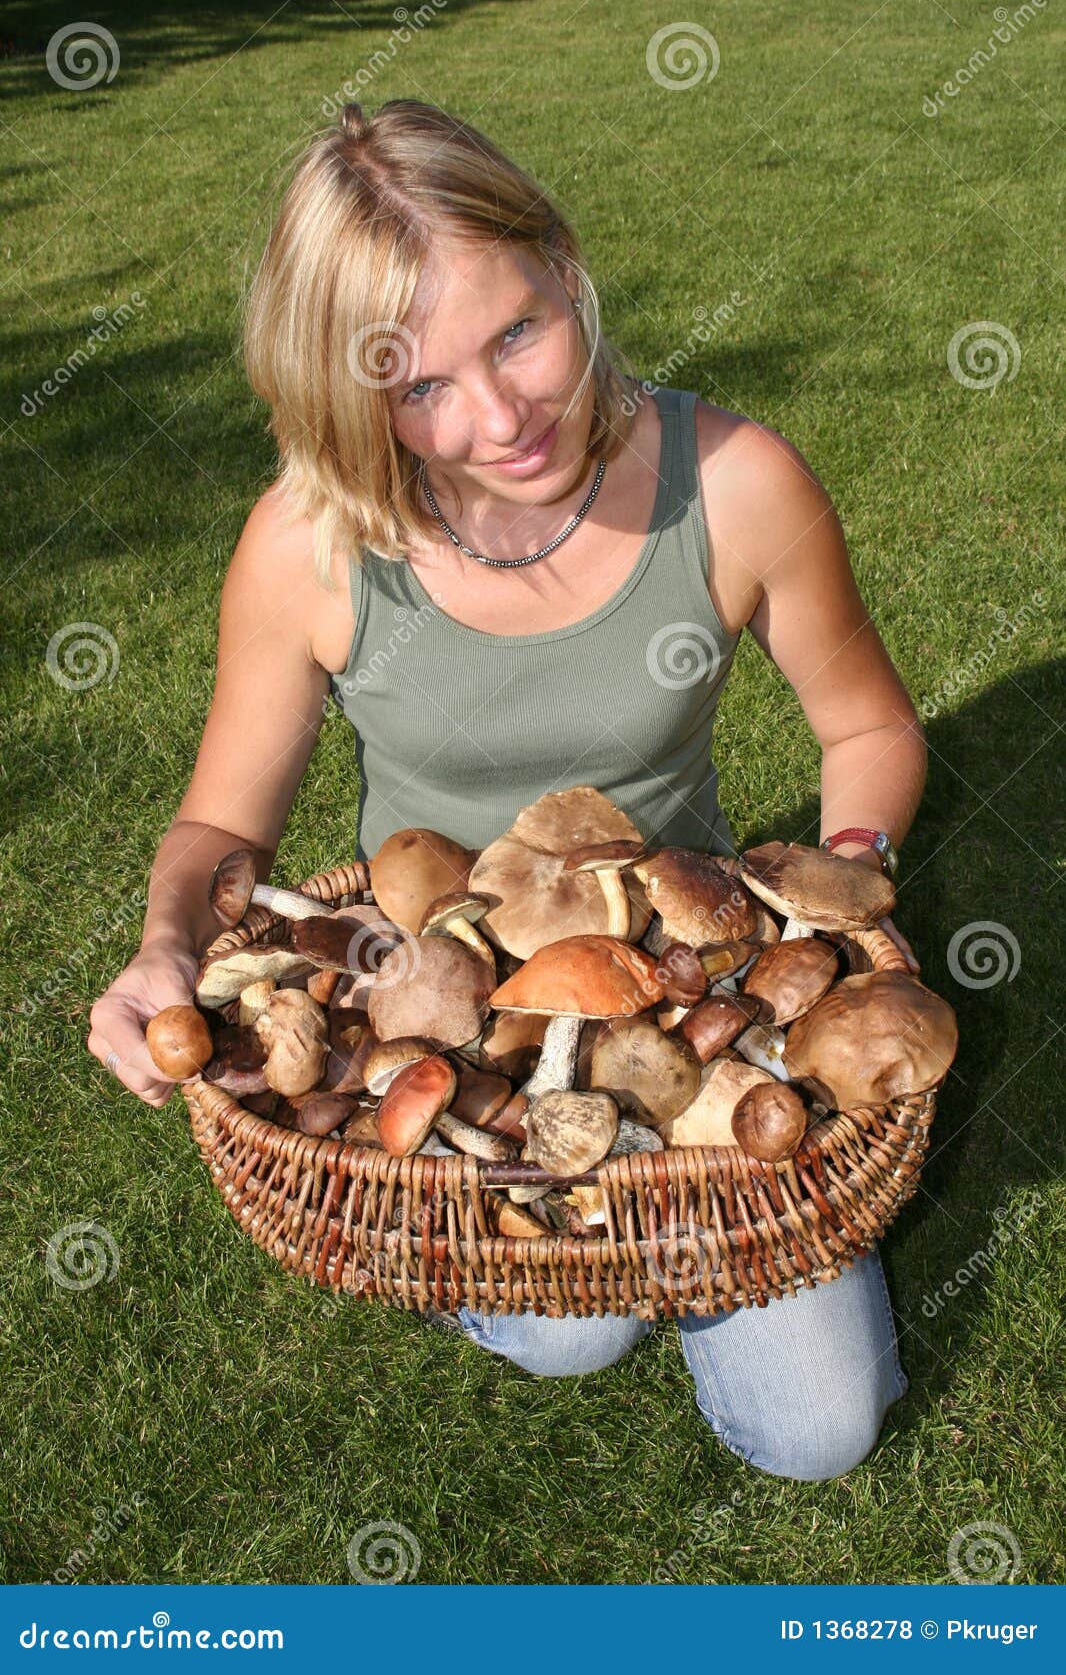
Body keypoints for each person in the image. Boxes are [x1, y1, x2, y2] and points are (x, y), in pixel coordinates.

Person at [88, 100, 926, 1481]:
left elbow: (869, 722)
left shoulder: (735, 480)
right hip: (422, 1005)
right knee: (570, 1334)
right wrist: (168, 945)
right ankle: (591, 1260)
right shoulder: (313, 544)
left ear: (564, 266)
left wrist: (840, 893)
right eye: (417, 387)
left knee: (822, 1433)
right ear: (351, 392)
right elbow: (221, 828)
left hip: (680, 989)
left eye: (518, 334)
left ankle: (645, 1235)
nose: (499, 418)